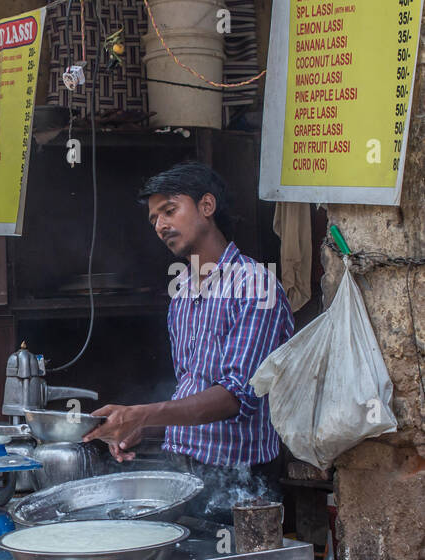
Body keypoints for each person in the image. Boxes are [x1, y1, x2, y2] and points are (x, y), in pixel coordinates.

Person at [83, 162, 294, 523]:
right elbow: (189, 391)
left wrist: (142, 413)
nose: (161, 226)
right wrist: (139, 428)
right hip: (184, 471)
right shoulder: (181, 291)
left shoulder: (254, 285)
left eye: (170, 210)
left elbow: (233, 397)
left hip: (241, 482)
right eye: (154, 220)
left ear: (207, 206)